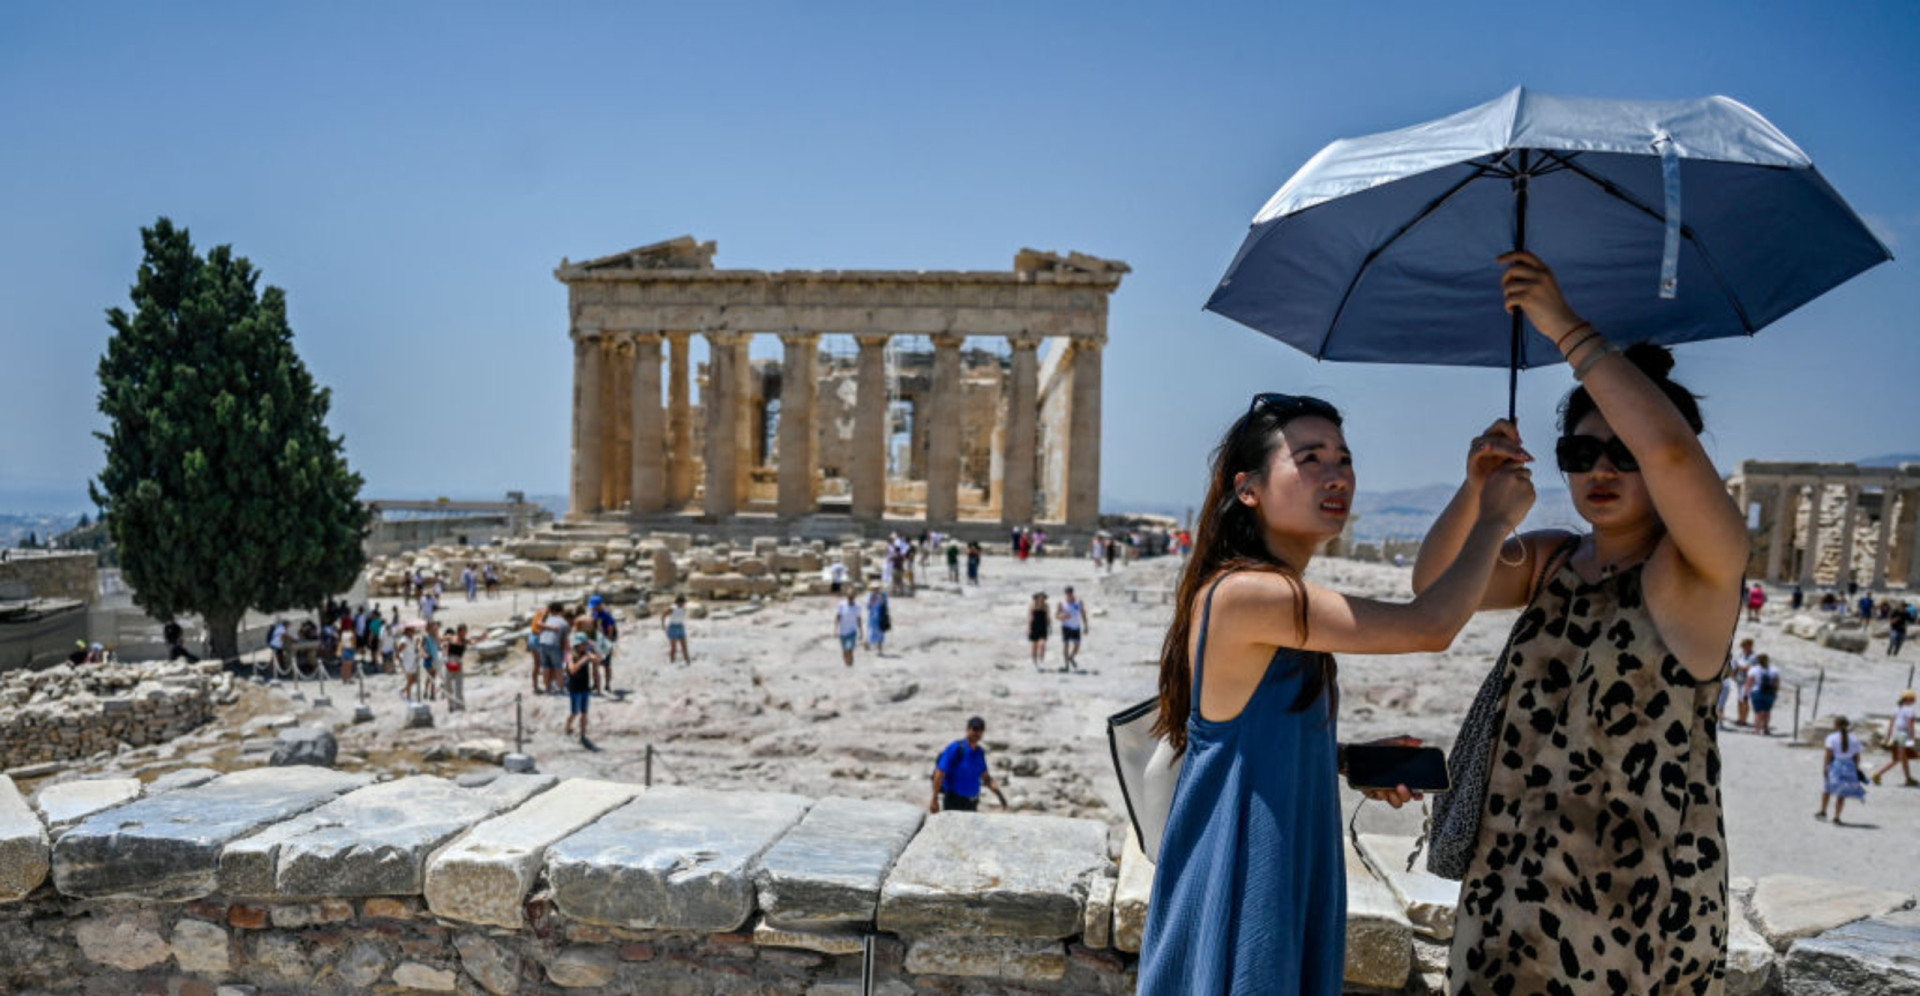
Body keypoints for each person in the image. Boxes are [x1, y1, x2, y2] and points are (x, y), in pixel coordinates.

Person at [1414, 254, 1744, 996]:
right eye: (1581, 451)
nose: (1603, 468)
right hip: (1505, 898)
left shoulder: (1696, 574)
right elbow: (1435, 587)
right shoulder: (1553, 561)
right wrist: (1476, 497)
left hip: (1632, 920)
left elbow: (1668, 448)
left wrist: (1565, 329)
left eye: (1624, 454)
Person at [1139, 391, 1529, 996]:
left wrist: (1339, 757)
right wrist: (1495, 520)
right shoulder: (1250, 593)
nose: (1336, 475)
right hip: (1245, 867)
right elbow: (1430, 625)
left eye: (1343, 460)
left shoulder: (1275, 592)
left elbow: (1249, 727)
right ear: (1249, 488)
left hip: (1282, 851)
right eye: (1310, 459)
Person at [930, 716, 1009, 813]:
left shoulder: (980, 752)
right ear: (967, 729)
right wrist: (934, 799)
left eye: (981, 730)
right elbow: (939, 773)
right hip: (954, 802)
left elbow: (986, 778)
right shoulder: (955, 748)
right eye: (975, 729)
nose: (977, 732)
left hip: (972, 803)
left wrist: (1000, 796)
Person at [1816, 716, 1868, 824]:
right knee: (1842, 793)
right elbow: (1857, 757)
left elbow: (1828, 755)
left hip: (1836, 765)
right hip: (1849, 766)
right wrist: (1856, 768)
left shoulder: (1831, 737)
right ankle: (1837, 816)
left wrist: (1825, 768)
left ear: (1836, 725)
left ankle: (1823, 810)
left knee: (1828, 788)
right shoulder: (1854, 738)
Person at [1871, 689, 1918, 786]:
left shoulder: (1897, 709)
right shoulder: (1910, 711)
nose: (1914, 701)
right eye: (1913, 699)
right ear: (1909, 699)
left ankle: (1908, 778)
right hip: (1903, 735)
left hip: (1896, 735)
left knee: (1904, 758)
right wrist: (1912, 738)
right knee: (1898, 758)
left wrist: (1887, 738)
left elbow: (1891, 724)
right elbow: (1910, 726)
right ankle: (1878, 774)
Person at [564, 617, 599, 743]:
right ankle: (567, 728)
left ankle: (583, 734)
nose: (585, 646)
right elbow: (572, 669)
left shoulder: (586, 653)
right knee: (575, 712)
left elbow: (598, 660)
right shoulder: (570, 655)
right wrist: (583, 660)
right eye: (584, 644)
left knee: (584, 713)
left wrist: (594, 650)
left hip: (585, 686)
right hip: (575, 688)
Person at [589, 595, 618, 693]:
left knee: (606, 665)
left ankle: (607, 684)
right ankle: (595, 684)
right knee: (594, 664)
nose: (593, 607)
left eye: (594, 606)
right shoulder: (594, 614)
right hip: (596, 641)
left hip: (604, 642)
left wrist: (608, 644)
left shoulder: (607, 616)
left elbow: (610, 630)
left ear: (599, 605)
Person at [539, 602, 570, 693]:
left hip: (542, 643)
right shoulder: (564, 622)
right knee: (558, 667)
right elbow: (564, 639)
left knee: (546, 667)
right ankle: (561, 688)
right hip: (553, 644)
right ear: (561, 611)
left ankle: (547, 688)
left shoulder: (546, 620)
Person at [1748, 653, 1781, 736]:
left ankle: (1757, 729)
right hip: (1770, 693)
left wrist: (1746, 693)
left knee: (1758, 712)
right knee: (1767, 711)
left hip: (1757, 692)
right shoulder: (1774, 670)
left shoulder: (1754, 669)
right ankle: (1766, 728)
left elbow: (1750, 682)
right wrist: (1775, 692)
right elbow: (1777, 682)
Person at [1056, 586, 1087, 673]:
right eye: (1067, 592)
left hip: (1076, 626)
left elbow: (1083, 613)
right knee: (1066, 645)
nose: (1069, 594)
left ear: (1073, 592)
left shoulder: (1079, 602)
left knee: (1077, 646)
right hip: (1066, 626)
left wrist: (1086, 625)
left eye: (1070, 592)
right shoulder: (1062, 603)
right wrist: (1063, 616)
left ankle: (1071, 657)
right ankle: (1066, 666)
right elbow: (1057, 615)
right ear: (1065, 593)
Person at [1731, 637, 1759, 728]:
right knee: (1740, 700)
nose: (1743, 648)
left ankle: (1743, 720)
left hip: (1748, 681)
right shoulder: (1741, 654)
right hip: (1740, 680)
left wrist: (1740, 667)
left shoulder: (1754, 657)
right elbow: (1736, 665)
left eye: (1745, 646)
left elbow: (1750, 668)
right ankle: (1740, 718)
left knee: (1745, 700)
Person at [835, 591, 863, 667]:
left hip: (852, 631)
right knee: (845, 650)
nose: (850, 598)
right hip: (843, 631)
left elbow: (859, 619)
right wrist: (836, 629)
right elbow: (838, 617)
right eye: (849, 597)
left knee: (850, 649)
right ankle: (846, 663)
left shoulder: (858, 606)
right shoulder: (841, 604)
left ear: (854, 597)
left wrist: (861, 632)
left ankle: (850, 664)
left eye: (852, 597)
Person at [444, 623, 467, 711]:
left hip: (458, 664)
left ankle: (460, 706)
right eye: (462, 632)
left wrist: (482, 638)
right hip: (449, 663)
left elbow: (473, 641)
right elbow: (441, 641)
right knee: (447, 686)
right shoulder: (450, 639)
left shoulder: (464, 641)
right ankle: (451, 705)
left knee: (459, 688)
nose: (463, 635)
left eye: (465, 633)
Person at [662, 595, 691, 664]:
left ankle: (687, 661)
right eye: (683, 602)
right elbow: (664, 614)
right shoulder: (673, 609)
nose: (684, 603)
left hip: (680, 627)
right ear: (679, 602)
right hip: (673, 627)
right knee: (674, 648)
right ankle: (672, 662)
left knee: (684, 646)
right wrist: (663, 625)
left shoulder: (684, 609)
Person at [866, 584, 890, 655]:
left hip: (881, 617)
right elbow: (868, 607)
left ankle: (879, 650)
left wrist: (881, 599)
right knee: (871, 631)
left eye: (877, 588)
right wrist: (873, 600)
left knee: (880, 633)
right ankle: (869, 645)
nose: (875, 590)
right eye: (874, 589)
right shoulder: (870, 596)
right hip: (872, 617)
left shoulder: (883, 595)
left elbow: (885, 605)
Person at [1027, 592, 1050, 670]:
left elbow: (1048, 617)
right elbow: (1030, 617)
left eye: (1042, 597)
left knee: (1042, 644)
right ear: (1036, 598)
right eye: (1040, 597)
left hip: (1043, 627)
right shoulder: (1032, 606)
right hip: (1034, 626)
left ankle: (1041, 661)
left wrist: (1050, 626)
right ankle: (1034, 661)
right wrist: (1029, 628)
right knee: (1034, 645)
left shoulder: (1046, 606)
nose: (1041, 598)